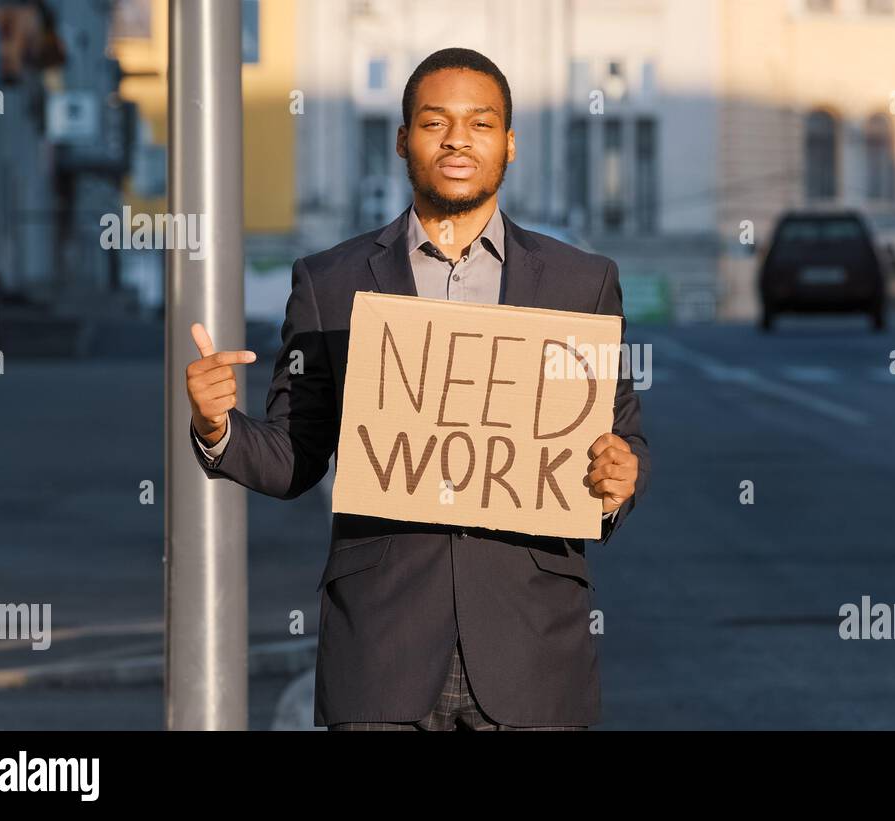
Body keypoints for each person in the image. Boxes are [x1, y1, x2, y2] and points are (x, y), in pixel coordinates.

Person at [184, 48, 648, 730]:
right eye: (435, 122)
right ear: (403, 140)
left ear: (510, 143)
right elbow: (296, 455)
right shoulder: (330, 283)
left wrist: (621, 476)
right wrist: (218, 425)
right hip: (381, 652)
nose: (458, 138)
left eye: (480, 123)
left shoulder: (583, 283)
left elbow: (620, 434)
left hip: (531, 656)